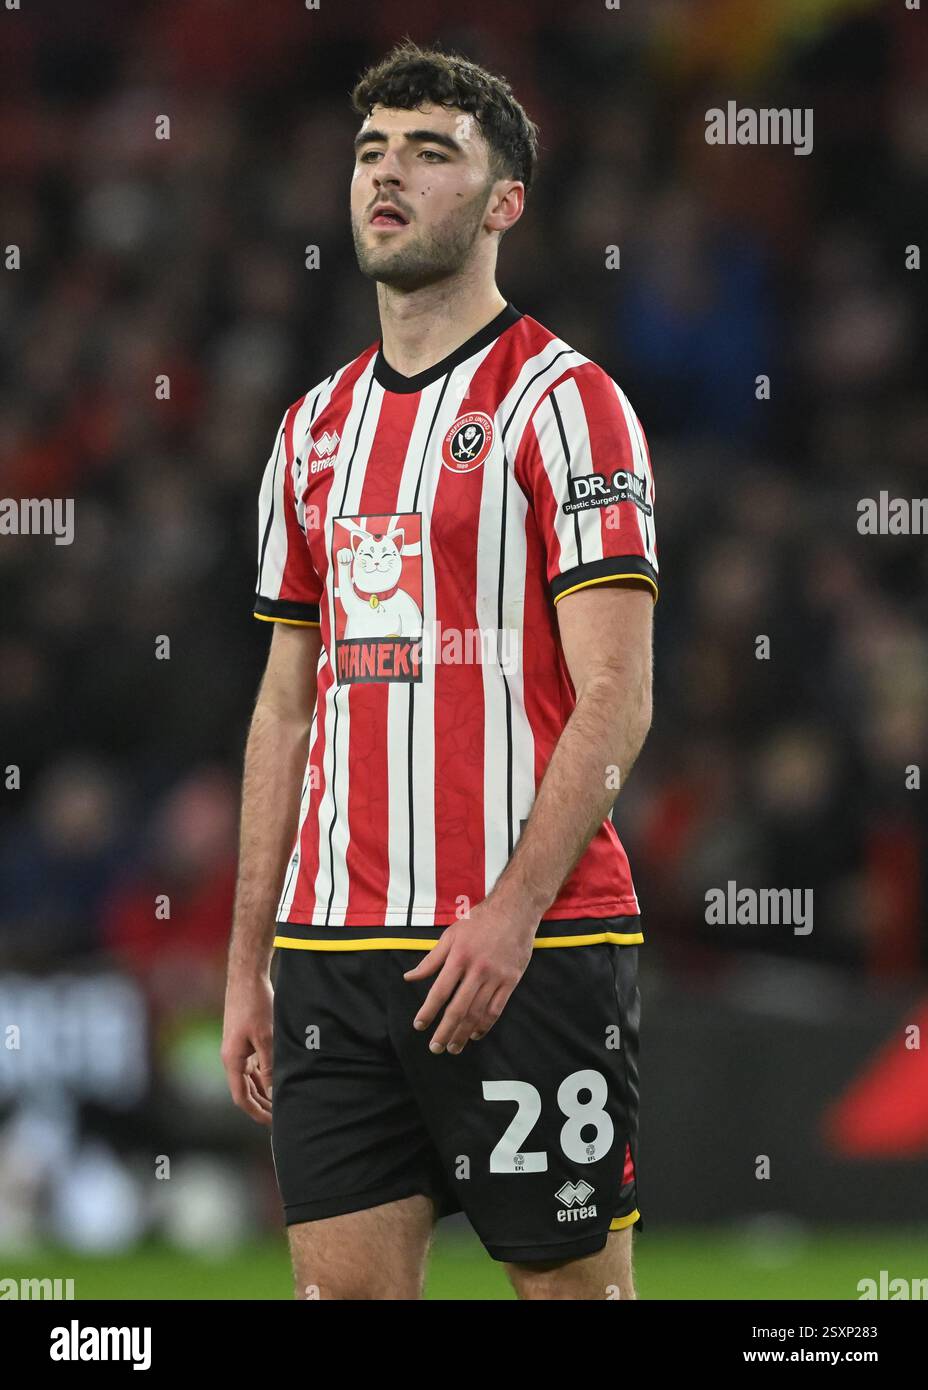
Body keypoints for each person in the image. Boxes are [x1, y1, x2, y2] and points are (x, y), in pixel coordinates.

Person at [222, 39, 657, 1301]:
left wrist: (512, 909)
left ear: (504, 201)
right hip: (335, 952)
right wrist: (248, 958)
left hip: (532, 945)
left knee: (574, 1292)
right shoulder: (311, 427)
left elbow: (616, 696)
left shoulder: (570, 405)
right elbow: (284, 706)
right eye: (369, 152)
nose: (387, 176)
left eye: (430, 152)